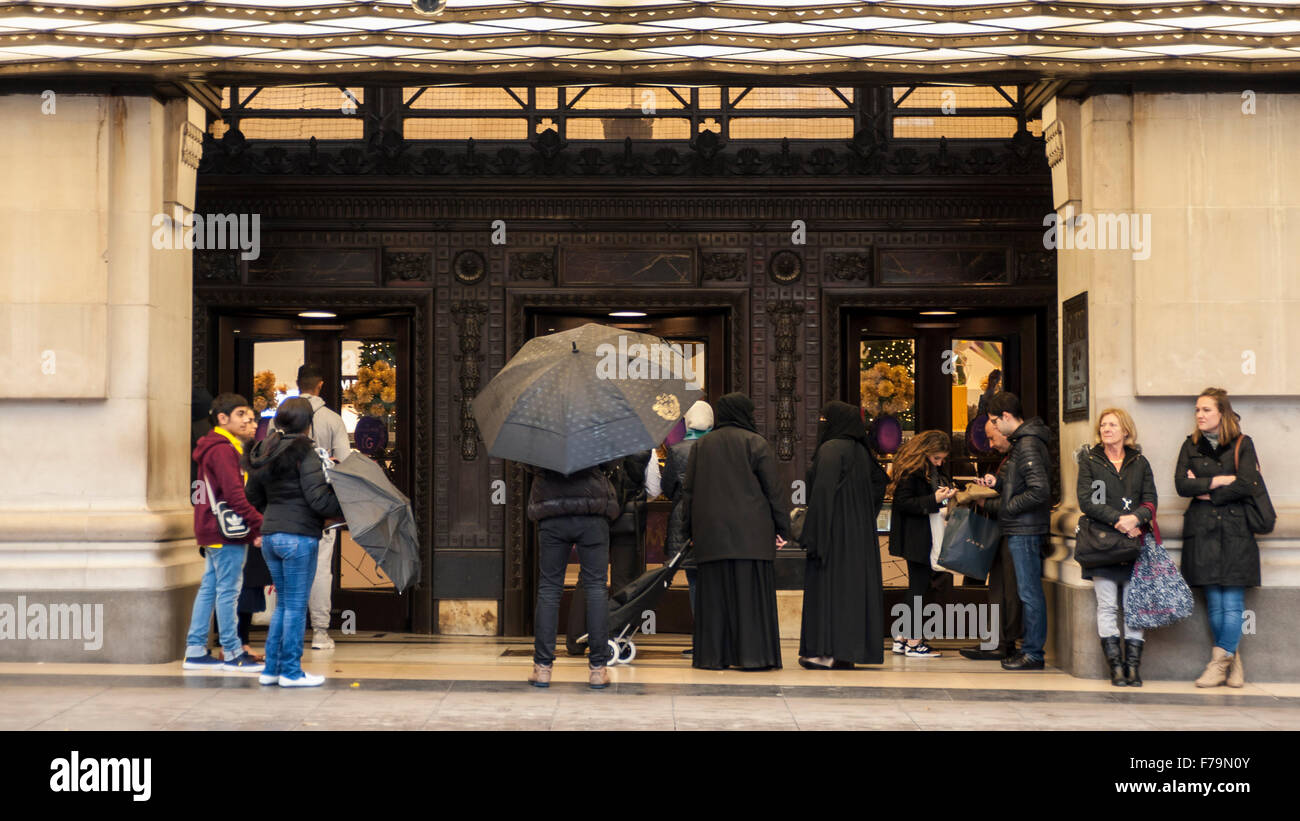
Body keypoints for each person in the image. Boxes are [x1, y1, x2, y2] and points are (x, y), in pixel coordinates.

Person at [682, 392, 792, 671]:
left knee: (715, 600)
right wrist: (783, 529)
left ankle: (713, 657)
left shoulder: (702, 446)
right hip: (751, 537)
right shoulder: (756, 443)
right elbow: (773, 491)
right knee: (749, 599)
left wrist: (689, 531)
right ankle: (753, 657)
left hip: (711, 536)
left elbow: (690, 493)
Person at [244, 397, 344, 687]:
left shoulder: (264, 450)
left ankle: (272, 670)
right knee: (296, 606)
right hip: (299, 537)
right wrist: (336, 489)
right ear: (307, 423)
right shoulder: (307, 452)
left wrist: (273, 518)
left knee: (285, 605)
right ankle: (291, 671)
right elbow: (319, 501)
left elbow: (252, 497)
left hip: (272, 535)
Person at [1175, 388, 1260, 689]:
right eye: (1197, 409)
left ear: (1221, 413)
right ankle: (1232, 660)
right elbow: (1181, 485)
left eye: (1206, 410)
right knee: (1214, 601)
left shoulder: (1242, 444)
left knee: (1232, 601)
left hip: (1236, 530)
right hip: (1203, 530)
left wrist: (1207, 492)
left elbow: (1248, 484)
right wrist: (1221, 480)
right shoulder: (1191, 445)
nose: (1199, 415)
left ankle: (1218, 662)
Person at [798, 401, 889, 669]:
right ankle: (846, 652)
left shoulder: (830, 450)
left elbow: (822, 496)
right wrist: (862, 518)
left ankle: (824, 653)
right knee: (851, 593)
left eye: (825, 418)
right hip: (859, 536)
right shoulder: (862, 452)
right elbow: (879, 485)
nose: (822, 423)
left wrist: (813, 535)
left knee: (830, 591)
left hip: (833, 534)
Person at [183, 393, 265, 674]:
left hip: (212, 527)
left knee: (210, 587)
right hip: (224, 531)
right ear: (222, 418)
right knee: (228, 590)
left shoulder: (218, 446)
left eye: (251, 417)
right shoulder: (223, 449)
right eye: (241, 414)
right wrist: (257, 524)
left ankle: (195, 649)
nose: (248, 421)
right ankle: (231, 651)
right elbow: (233, 495)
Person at [1076, 408, 1157, 686]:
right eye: (1103, 425)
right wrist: (1119, 520)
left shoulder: (1140, 462)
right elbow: (1088, 501)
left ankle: (1133, 667)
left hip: (1134, 542)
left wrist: (1137, 519)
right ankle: (1116, 668)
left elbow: (1150, 500)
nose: (1106, 429)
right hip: (1102, 544)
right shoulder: (1090, 461)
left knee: (1133, 606)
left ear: (1125, 431)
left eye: (1112, 425)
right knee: (1108, 605)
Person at [526, 463, 621, 690]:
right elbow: (611, 464)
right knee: (596, 588)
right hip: (592, 512)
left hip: (552, 511)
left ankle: (542, 669)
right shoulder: (597, 427)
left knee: (549, 589)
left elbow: (530, 464)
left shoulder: (542, 428)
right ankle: (598, 670)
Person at [278, 365, 350, 651]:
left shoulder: (278, 421)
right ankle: (320, 632)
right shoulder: (332, 419)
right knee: (320, 569)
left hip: (284, 508)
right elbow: (345, 461)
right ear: (320, 384)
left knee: (286, 569)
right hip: (319, 511)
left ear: (298, 384)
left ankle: (283, 634)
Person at [980, 392, 1053, 671]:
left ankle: (1033, 652)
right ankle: (1031, 650)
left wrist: (1008, 506)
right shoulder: (1023, 443)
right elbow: (1024, 483)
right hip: (1023, 526)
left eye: (995, 422)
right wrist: (999, 484)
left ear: (1007, 417)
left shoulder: (1028, 444)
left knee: (1029, 592)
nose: (995, 428)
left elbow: (1039, 490)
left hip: (1025, 529)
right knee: (1027, 591)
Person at [565, 449, 657, 656]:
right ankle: (616, 638)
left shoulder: (589, 441)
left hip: (595, 517)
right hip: (627, 522)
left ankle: (576, 640)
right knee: (623, 580)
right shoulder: (642, 444)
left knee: (588, 577)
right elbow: (654, 488)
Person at [887, 430, 957, 659]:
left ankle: (902, 638)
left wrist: (945, 495)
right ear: (925, 452)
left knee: (917, 586)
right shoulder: (913, 471)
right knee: (919, 587)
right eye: (937, 458)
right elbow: (903, 502)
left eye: (942, 458)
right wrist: (934, 500)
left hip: (921, 535)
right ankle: (914, 641)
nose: (940, 462)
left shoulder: (926, 469)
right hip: (917, 536)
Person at [960, 418, 1023, 660]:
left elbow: (1017, 497)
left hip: (1013, 530)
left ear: (1003, 429)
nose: (990, 444)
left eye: (991, 437)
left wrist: (987, 501)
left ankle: (1001, 642)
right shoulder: (1011, 457)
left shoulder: (1019, 455)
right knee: (1000, 586)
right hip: (1005, 529)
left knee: (1008, 587)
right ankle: (996, 640)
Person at [663, 400, 713, 656]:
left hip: (684, 522)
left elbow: (667, 487)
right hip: (715, 520)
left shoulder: (678, 449)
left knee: (693, 579)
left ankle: (700, 639)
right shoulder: (718, 448)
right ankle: (717, 637)